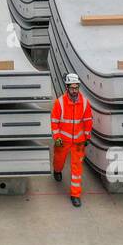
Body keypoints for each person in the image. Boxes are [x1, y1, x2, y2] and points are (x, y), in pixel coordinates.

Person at [52, 72, 93, 207]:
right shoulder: (59, 103)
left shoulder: (85, 103)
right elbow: (54, 121)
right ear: (67, 87)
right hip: (62, 141)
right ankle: (57, 170)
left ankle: (75, 195)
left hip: (79, 142)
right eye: (72, 88)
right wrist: (56, 137)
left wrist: (87, 136)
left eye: (76, 88)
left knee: (77, 168)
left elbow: (88, 121)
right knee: (59, 160)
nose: (74, 90)